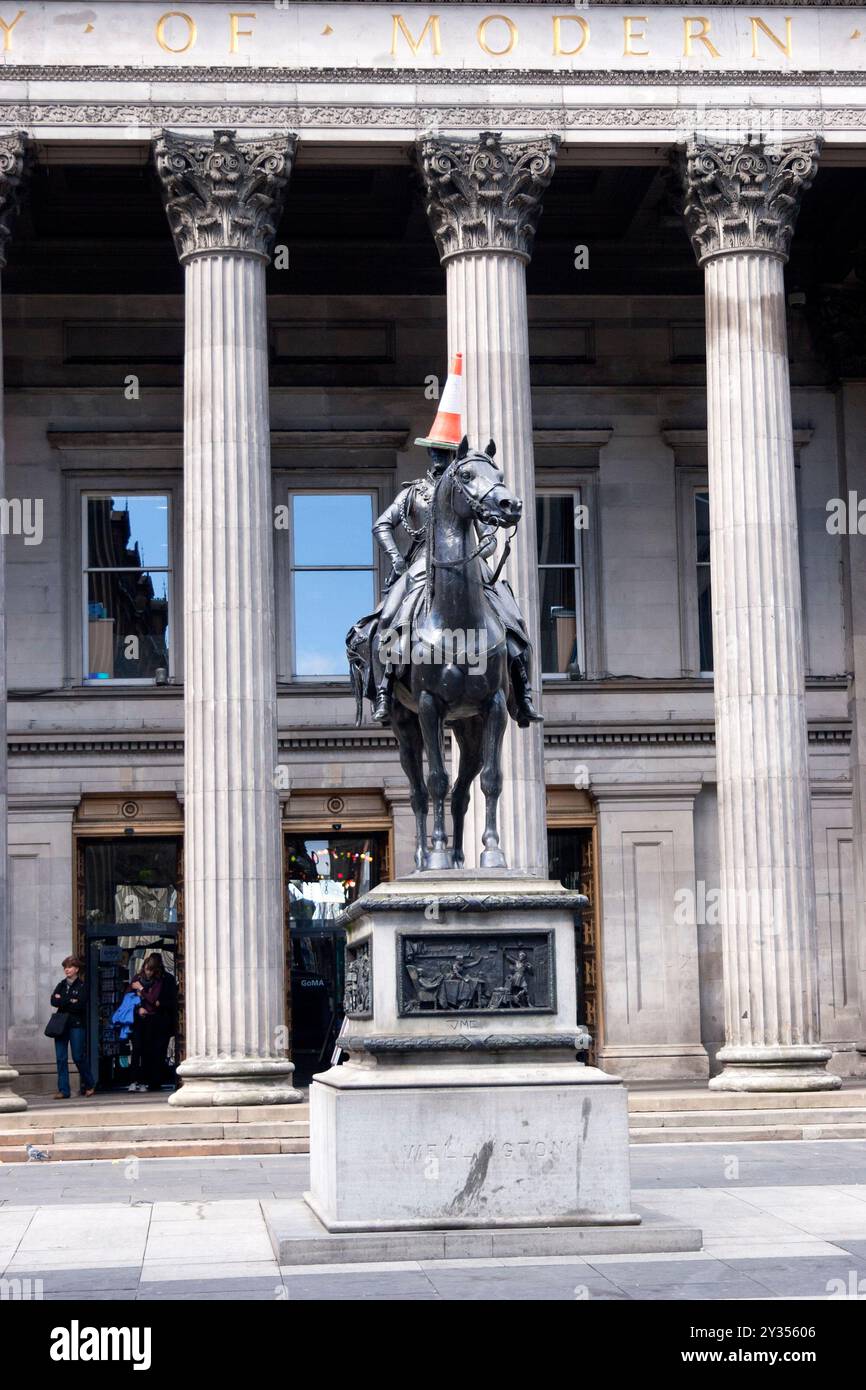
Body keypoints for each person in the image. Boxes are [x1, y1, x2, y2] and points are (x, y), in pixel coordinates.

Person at [129, 953, 177, 1092]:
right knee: (141, 1050)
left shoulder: (163, 980)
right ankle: (141, 1080)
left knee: (155, 1052)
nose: (148, 972)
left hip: (160, 1021)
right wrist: (139, 1008)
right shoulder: (137, 979)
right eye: (146, 968)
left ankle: (152, 1081)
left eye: (151, 969)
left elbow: (158, 1000)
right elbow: (129, 997)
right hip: (143, 1021)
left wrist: (144, 993)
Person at [50, 955, 95, 1099]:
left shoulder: (82, 985)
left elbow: (80, 1005)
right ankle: (64, 1090)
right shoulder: (61, 984)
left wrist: (63, 1000)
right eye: (65, 967)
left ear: (76, 969)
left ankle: (89, 1084)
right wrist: (70, 1000)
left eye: (69, 967)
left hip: (76, 1025)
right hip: (60, 1026)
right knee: (61, 1058)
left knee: (78, 1056)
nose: (66, 970)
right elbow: (53, 1001)